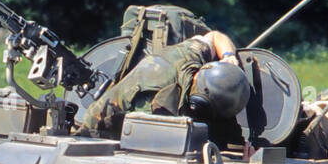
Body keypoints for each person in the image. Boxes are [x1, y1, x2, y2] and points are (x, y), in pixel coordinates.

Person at [77, 30, 251, 140]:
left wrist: (229, 56)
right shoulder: (155, 102)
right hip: (104, 128)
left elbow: (214, 36)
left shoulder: (190, 54)